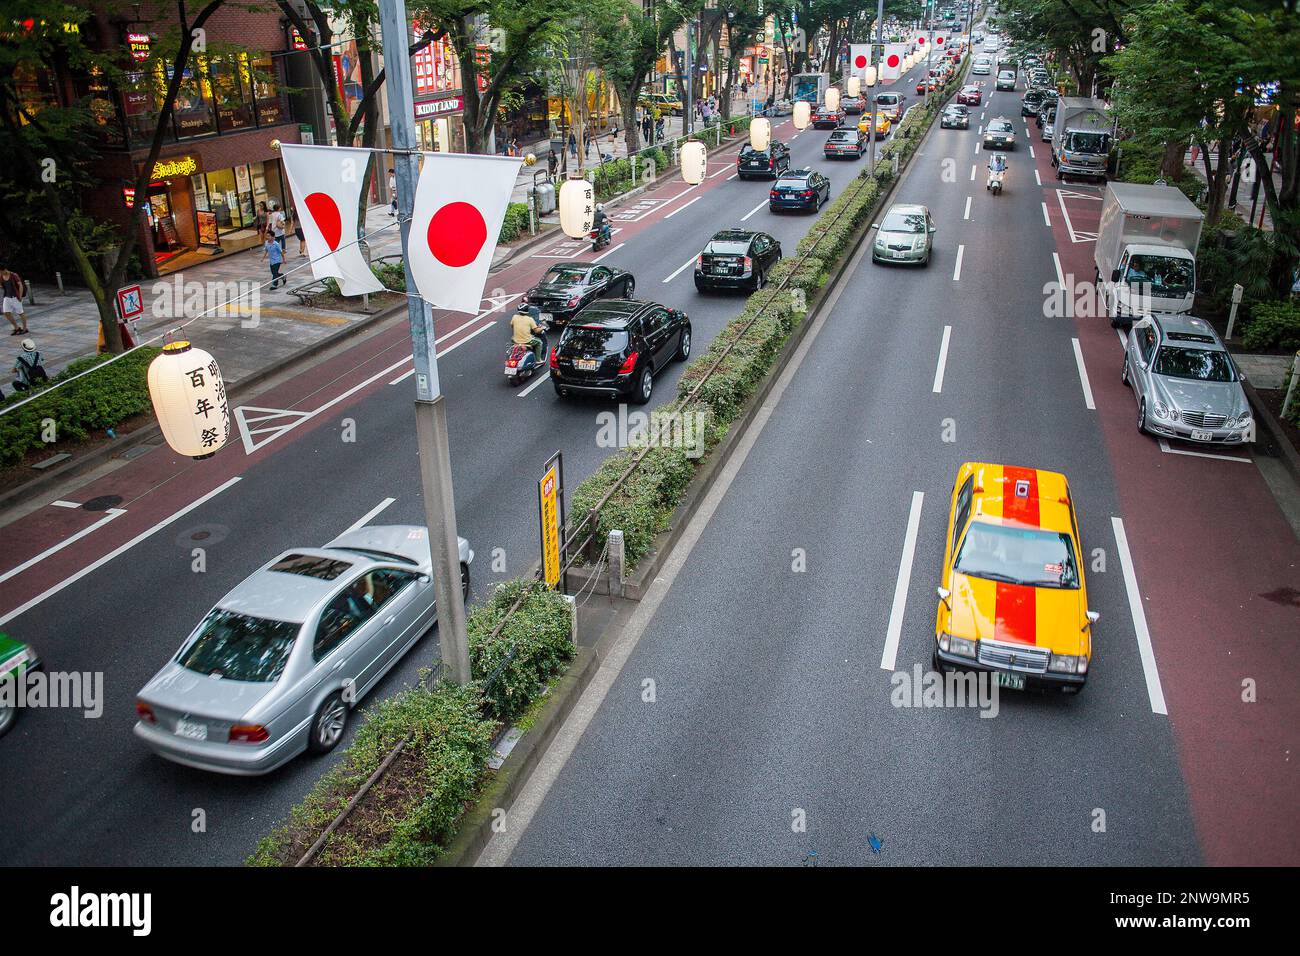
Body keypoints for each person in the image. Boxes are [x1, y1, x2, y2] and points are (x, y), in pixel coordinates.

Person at [1, 266, 27, 335]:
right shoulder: (1, 276)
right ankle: (17, 328)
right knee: (6, 312)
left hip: (16, 297)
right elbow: (2, 286)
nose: (0, 273)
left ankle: (25, 329)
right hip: (7, 297)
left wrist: (20, 296)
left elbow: (20, 285)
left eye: (1, 271)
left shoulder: (13, 275)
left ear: (5, 269)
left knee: (20, 313)